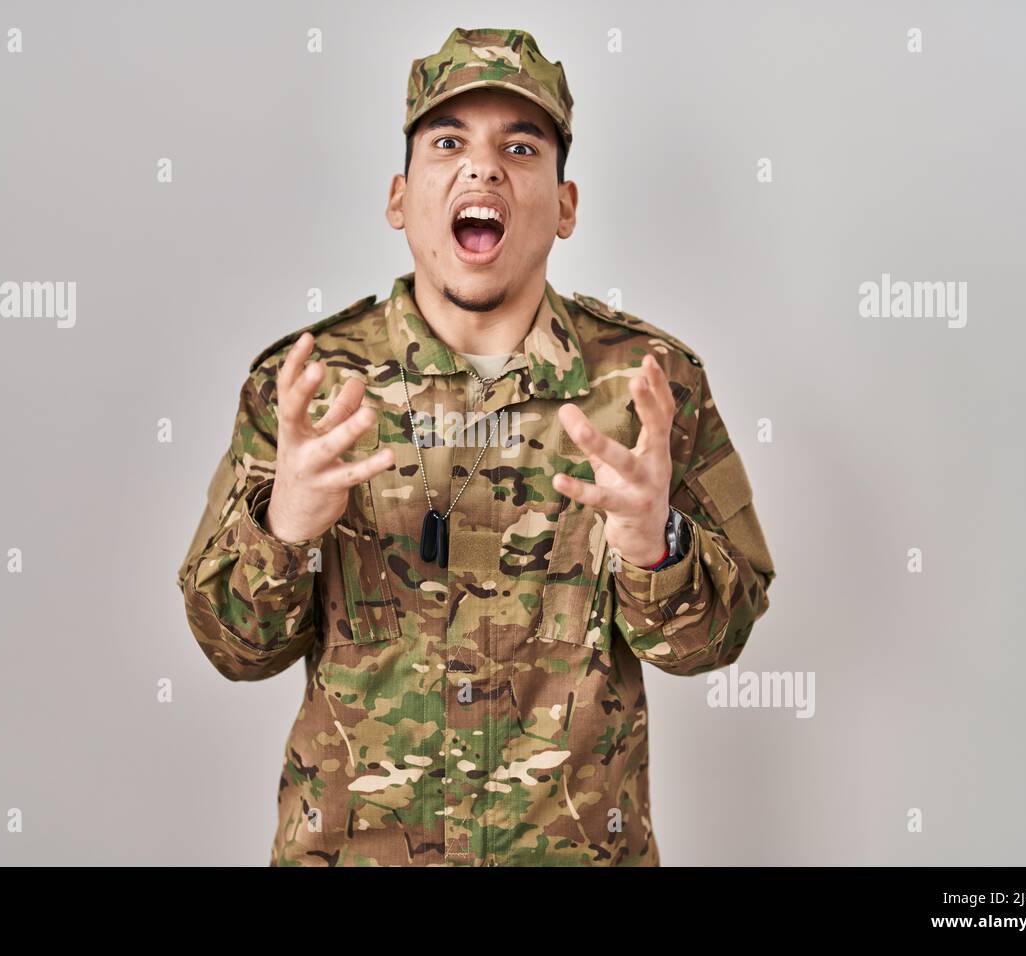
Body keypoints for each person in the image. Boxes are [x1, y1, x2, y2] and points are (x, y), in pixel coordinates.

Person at [176, 26, 776, 866]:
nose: (483, 167)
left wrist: (658, 548)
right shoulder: (306, 385)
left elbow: (717, 641)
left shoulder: (650, 383)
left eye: (520, 147)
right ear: (399, 197)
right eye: (448, 141)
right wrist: (284, 530)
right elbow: (232, 647)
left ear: (565, 207)